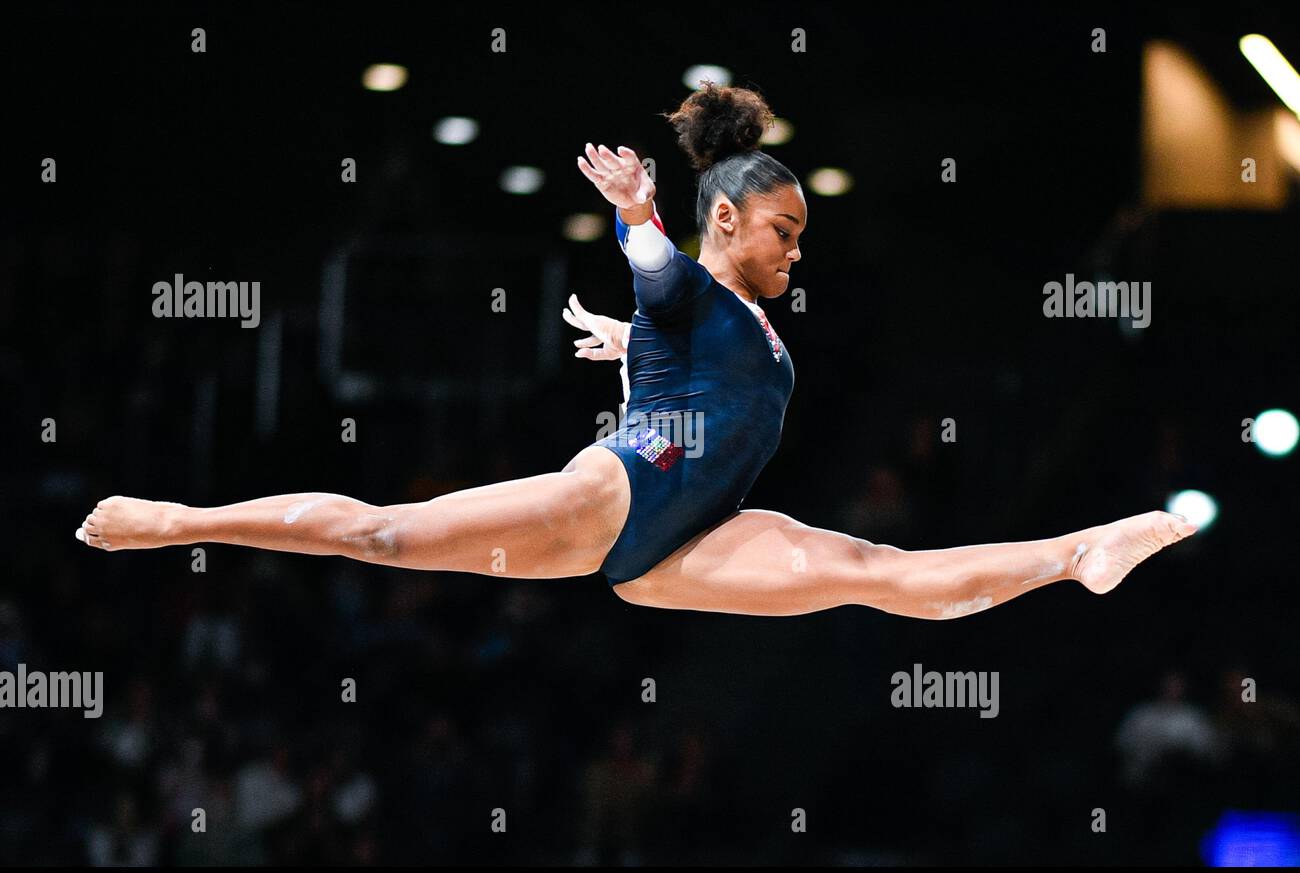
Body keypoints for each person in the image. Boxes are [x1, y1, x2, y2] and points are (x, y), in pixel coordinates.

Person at [74, 82, 1195, 618]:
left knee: (883, 580)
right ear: (725, 222)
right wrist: (634, 218)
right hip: (617, 498)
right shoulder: (686, 279)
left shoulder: (733, 322)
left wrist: (628, 345)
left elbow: (678, 348)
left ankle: (1078, 548)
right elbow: (660, 284)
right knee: (381, 532)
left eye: (800, 237)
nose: (797, 253)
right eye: (783, 232)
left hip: (683, 542)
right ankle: (181, 520)